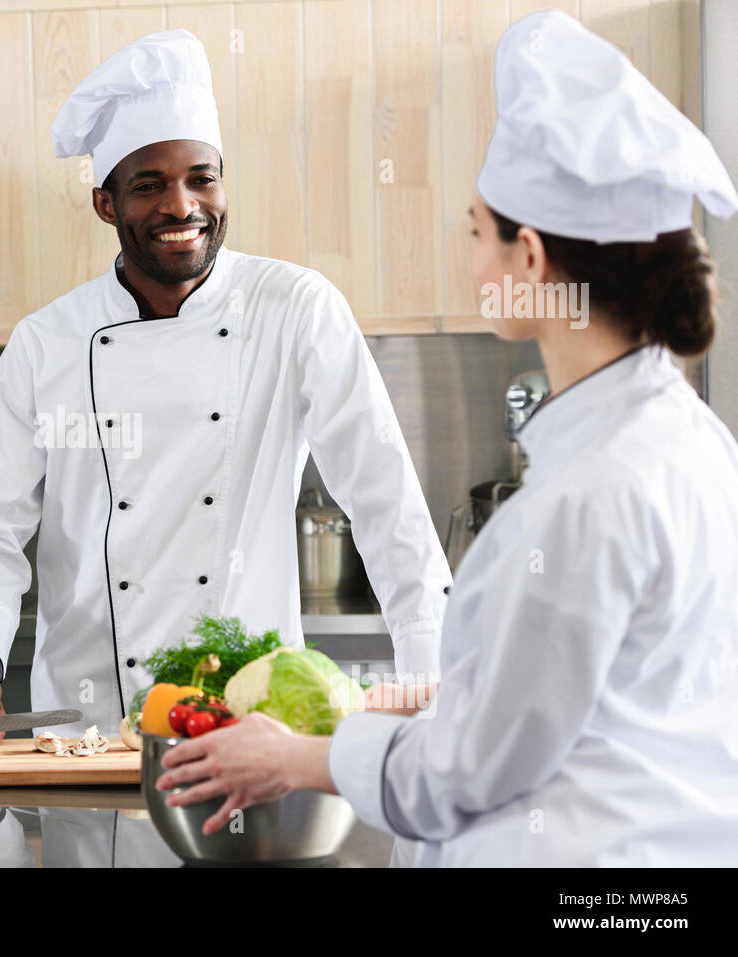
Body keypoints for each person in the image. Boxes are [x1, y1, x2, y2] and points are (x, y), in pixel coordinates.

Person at [158, 9, 738, 866]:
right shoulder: (688, 440)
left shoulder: (589, 493)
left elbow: (465, 774)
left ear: (531, 259)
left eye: (476, 230)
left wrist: (298, 758)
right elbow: (588, 699)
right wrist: (428, 700)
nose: (470, 260)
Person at [0, 30, 450, 747]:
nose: (182, 205)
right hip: (88, 730)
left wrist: (433, 676)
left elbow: (388, 503)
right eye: (150, 185)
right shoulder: (45, 345)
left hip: (254, 728)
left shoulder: (294, 309)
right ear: (106, 204)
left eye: (202, 177)